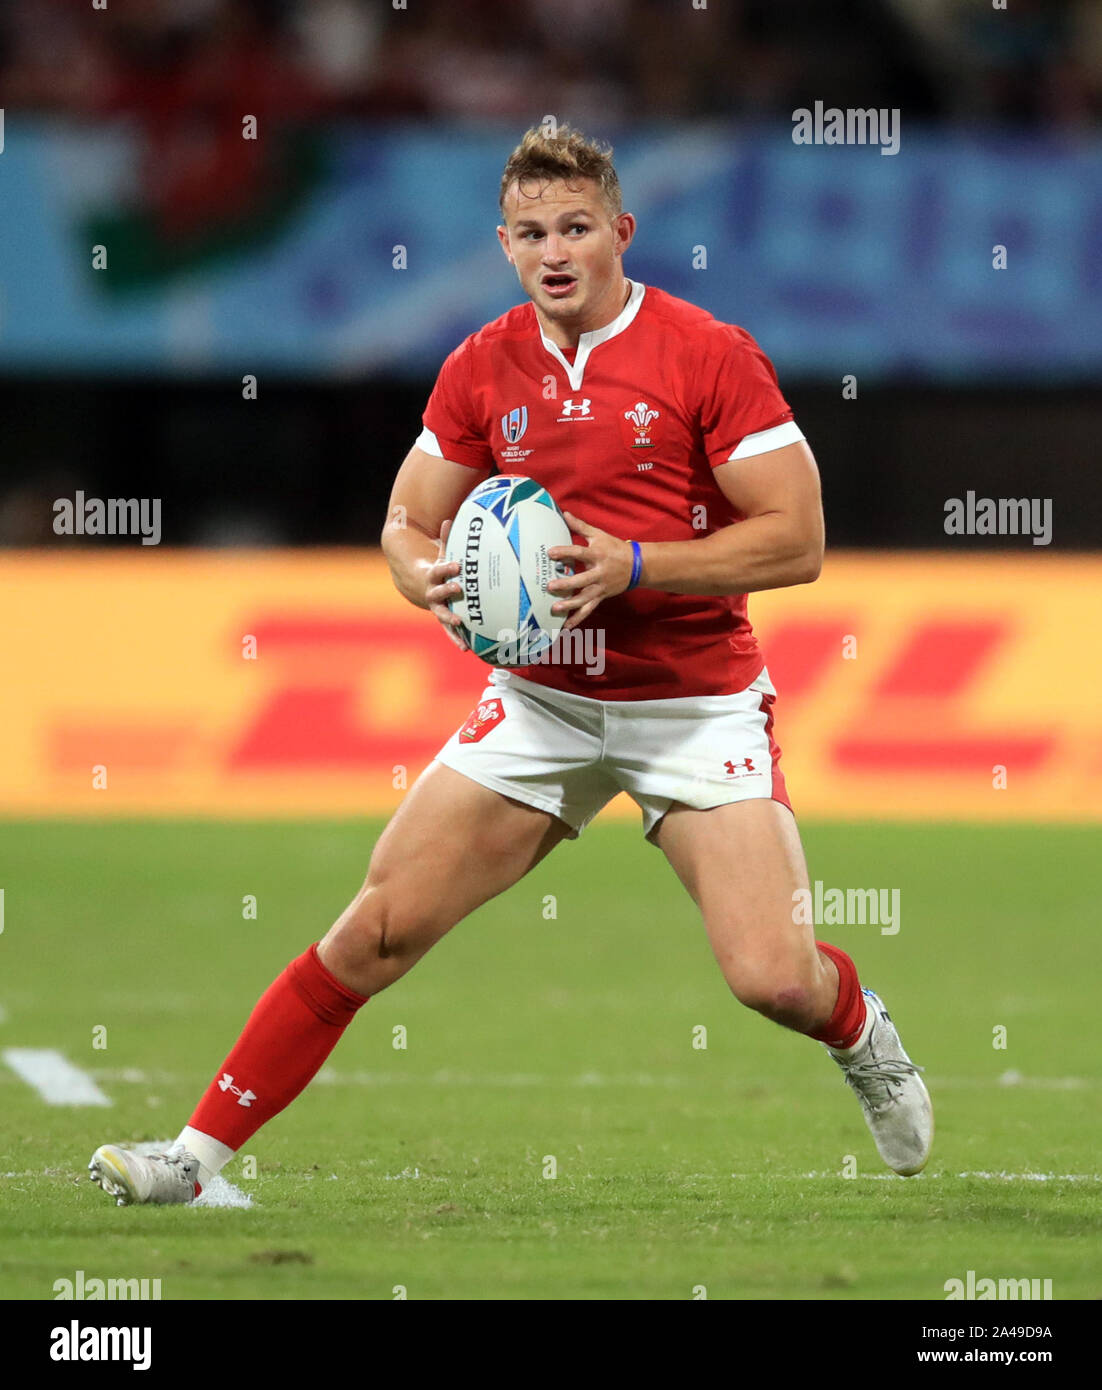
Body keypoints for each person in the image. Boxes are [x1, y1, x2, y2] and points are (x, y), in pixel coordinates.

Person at [89, 124, 931, 1207]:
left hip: (695, 704)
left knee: (772, 977)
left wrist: (635, 563)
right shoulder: (482, 366)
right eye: (531, 232)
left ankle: (860, 1030)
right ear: (504, 245)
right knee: (375, 929)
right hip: (542, 705)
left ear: (620, 231)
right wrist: (424, 578)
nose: (555, 250)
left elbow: (798, 540)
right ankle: (189, 1160)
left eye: (576, 226)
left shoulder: (707, 353)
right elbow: (406, 520)